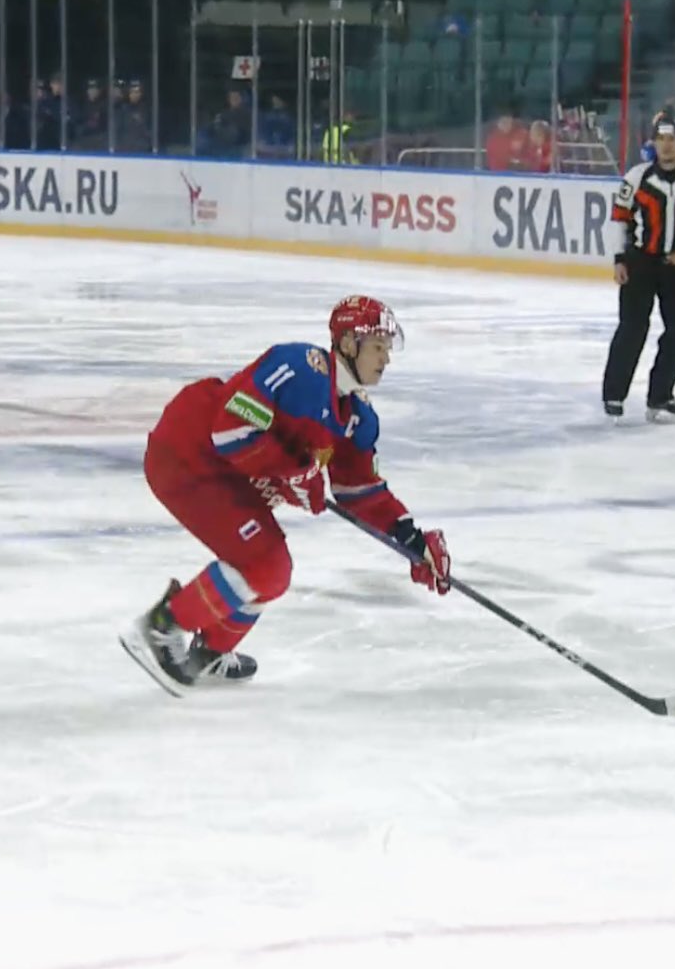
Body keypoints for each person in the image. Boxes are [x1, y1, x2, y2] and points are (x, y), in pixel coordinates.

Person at [120, 297, 451, 695]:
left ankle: (207, 653)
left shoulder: (357, 418)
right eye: (377, 346)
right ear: (347, 344)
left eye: (386, 348)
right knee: (265, 564)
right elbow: (230, 427)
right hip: (188, 455)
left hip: (228, 480)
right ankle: (162, 627)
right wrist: (294, 473)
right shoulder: (299, 368)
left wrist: (413, 542)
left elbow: (360, 493)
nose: (386, 359)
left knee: (272, 573)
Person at [602, 119, 675, 422]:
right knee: (632, 329)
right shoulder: (637, 177)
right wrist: (619, 258)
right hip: (640, 262)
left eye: (672, 139)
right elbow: (619, 219)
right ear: (653, 143)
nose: (666, 145)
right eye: (661, 138)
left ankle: (661, 395)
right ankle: (614, 394)